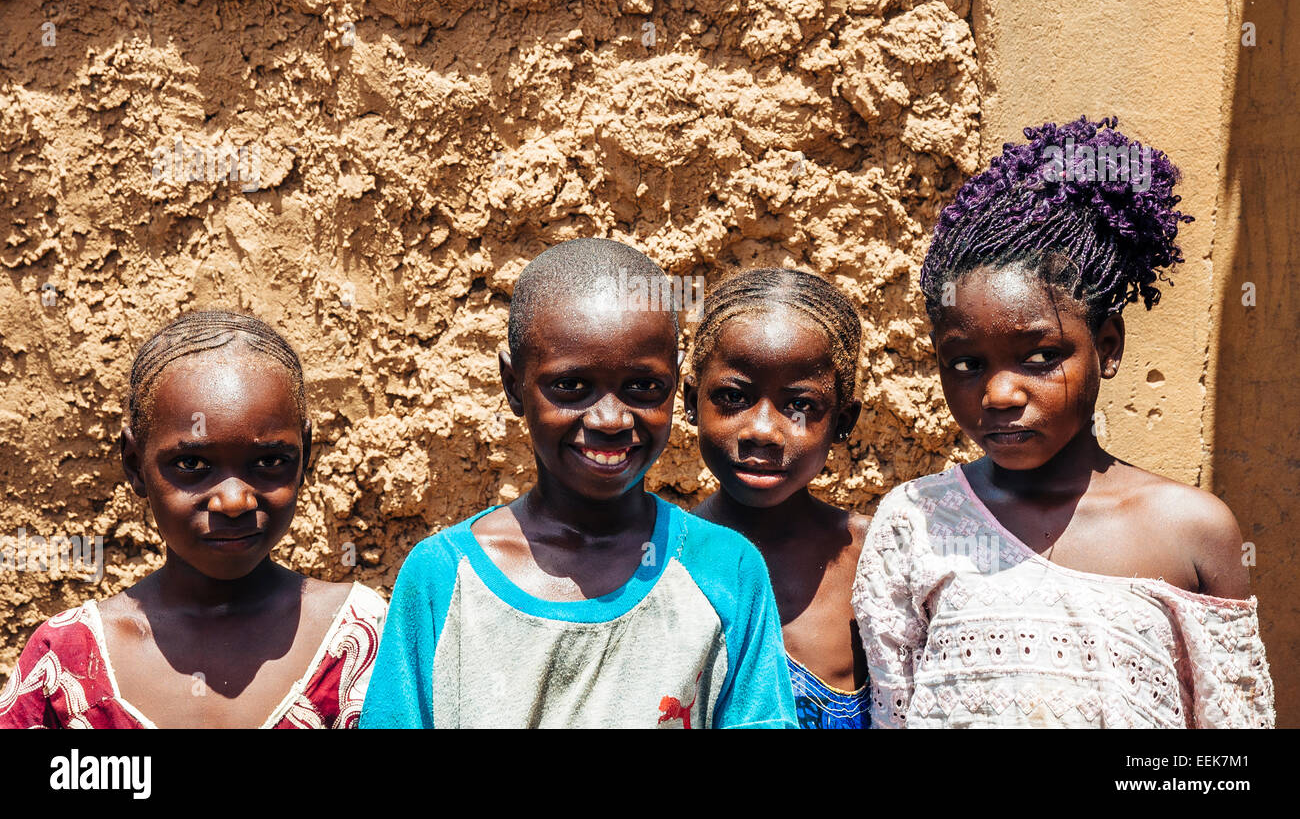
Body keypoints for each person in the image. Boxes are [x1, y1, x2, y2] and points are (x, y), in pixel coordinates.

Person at [853, 116, 1274, 728]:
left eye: (1041, 356)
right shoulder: (916, 522)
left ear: (1106, 346)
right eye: (966, 363)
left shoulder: (1191, 530)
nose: (998, 393)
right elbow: (892, 712)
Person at [360, 238, 796, 728]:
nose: (610, 418)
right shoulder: (444, 580)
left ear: (676, 383)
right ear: (513, 385)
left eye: (643, 387)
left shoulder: (723, 570)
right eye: (571, 386)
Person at [0, 311, 386, 728]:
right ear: (134, 464)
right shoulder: (64, 664)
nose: (234, 501)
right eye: (191, 463)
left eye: (270, 460)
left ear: (305, 455)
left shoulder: (359, 636)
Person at [686, 268, 871, 728]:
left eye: (801, 406)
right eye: (732, 396)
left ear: (843, 419)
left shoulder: (879, 560)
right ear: (691, 401)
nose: (763, 431)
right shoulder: (659, 563)